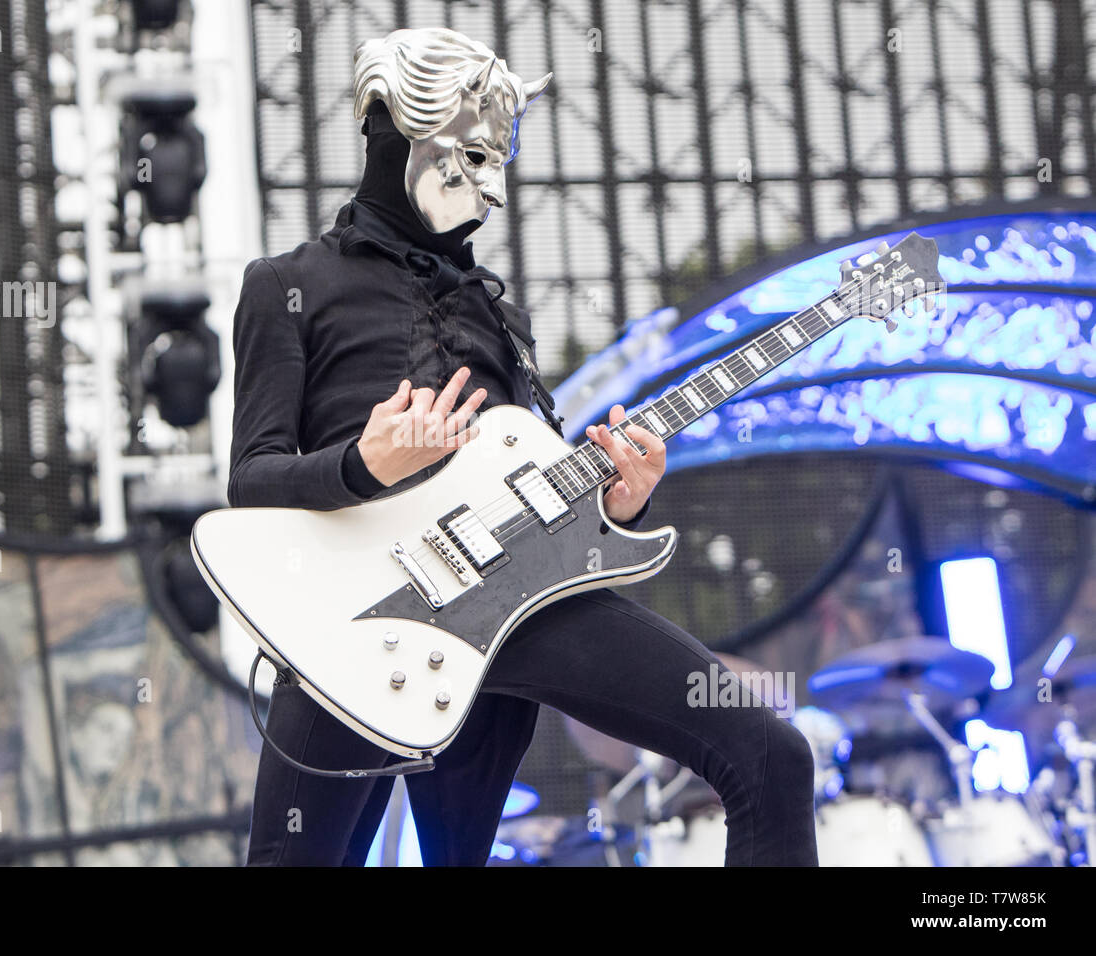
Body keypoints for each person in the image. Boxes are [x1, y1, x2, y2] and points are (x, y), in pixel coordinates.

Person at [228, 27, 817, 866]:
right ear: (400, 129)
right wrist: (365, 467)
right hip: (356, 626)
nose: (493, 189)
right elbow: (250, 486)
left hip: (523, 608)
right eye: (473, 155)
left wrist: (619, 500)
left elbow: (533, 476)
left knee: (771, 753)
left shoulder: (498, 314)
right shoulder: (286, 285)